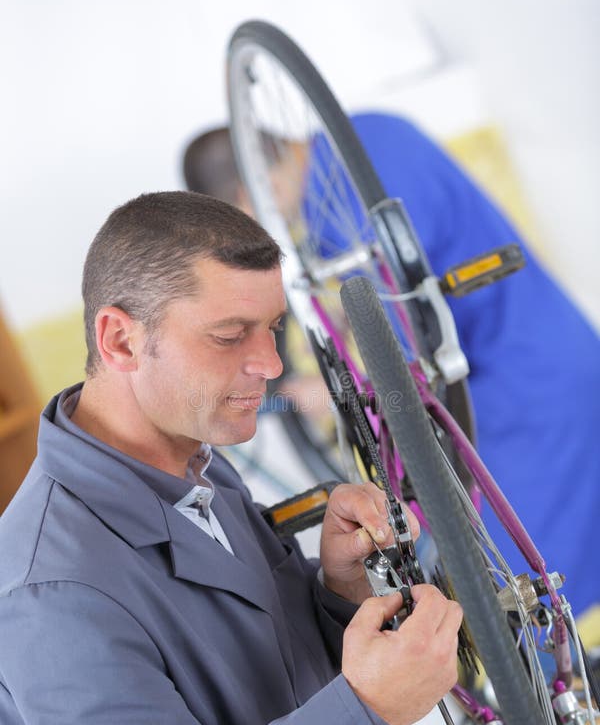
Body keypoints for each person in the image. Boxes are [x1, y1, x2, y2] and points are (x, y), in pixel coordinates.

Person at [0, 191, 462, 725]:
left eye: (271, 327)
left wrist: (339, 591)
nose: (270, 365)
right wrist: (371, 709)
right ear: (120, 340)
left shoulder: (197, 460)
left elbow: (263, 686)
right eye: (228, 335)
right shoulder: (49, 590)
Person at [182, 117, 600, 622]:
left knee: (520, 596)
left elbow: (405, 368)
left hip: (519, 394)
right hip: (551, 343)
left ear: (255, 192)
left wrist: (332, 392)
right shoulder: (368, 132)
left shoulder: (338, 220)